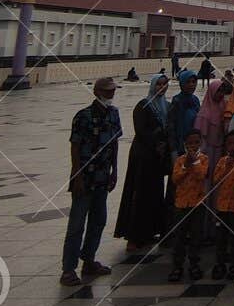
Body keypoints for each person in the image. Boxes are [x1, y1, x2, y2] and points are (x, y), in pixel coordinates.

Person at [61, 77, 122, 286]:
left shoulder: (114, 114)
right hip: (85, 178)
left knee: (98, 220)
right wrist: (76, 175)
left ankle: (88, 260)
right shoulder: (83, 116)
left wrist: (115, 171)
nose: (111, 94)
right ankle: (68, 269)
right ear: (97, 92)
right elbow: (75, 146)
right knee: (77, 224)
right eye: (107, 91)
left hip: (103, 177)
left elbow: (114, 144)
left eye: (113, 90)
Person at [113, 74, 170, 254]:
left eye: (164, 84)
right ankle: (133, 236)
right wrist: (156, 144)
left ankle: (149, 231)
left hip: (157, 159)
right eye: (158, 84)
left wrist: (164, 146)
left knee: (154, 193)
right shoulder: (143, 105)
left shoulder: (165, 106)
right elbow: (141, 130)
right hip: (143, 157)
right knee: (139, 194)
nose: (161, 87)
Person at [167, 129, 209, 283]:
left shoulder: (203, 159)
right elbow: (175, 179)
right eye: (190, 143)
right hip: (181, 204)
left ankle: (194, 265)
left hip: (197, 204)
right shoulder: (179, 160)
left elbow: (201, 175)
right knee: (179, 237)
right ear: (185, 144)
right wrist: (185, 166)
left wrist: (194, 162)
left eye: (196, 143)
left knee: (196, 236)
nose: (193, 146)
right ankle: (177, 266)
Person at [210, 128, 234, 279]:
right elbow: (215, 181)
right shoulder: (222, 162)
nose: (232, 147)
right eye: (229, 144)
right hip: (222, 207)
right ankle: (220, 265)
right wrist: (227, 167)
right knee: (221, 238)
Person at [166, 70, 201, 154]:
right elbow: (171, 125)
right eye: (188, 82)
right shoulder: (177, 101)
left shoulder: (195, 100)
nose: (191, 85)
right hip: (180, 145)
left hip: (194, 143)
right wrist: (174, 149)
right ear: (181, 84)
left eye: (194, 82)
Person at [195, 79, 227, 166]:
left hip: (221, 148)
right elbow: (201, 136)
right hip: (208, 150)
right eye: (218, 91)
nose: (221, 94)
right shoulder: (204, 113)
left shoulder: (224, 106)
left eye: (222, 91)